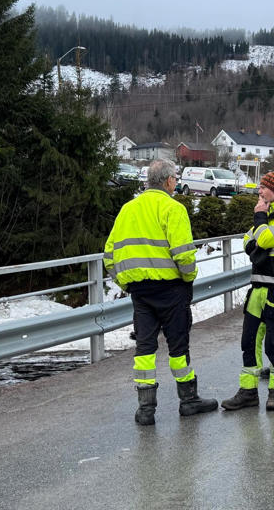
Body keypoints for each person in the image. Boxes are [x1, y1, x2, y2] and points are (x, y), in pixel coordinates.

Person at [104, 159, 217, 426]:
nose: (176, 182)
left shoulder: (128, 209)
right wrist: (188, 279)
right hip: (171, 289)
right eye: (175, 178)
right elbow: (184, 255)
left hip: (140, 292)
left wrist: (127, 284)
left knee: (145, 347)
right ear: (168, 181)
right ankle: (188, 400)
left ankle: (146, 409)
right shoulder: (173, 208)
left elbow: (109, 256)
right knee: (178, 346)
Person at [221, 171, 274, 412]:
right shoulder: (269, 215)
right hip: (258, 288)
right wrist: (259, 234)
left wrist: (260, 220)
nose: (259, 191)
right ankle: (248, 392)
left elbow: (265, 240)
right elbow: (248, 240)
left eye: (263, 188)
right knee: (249, 341)